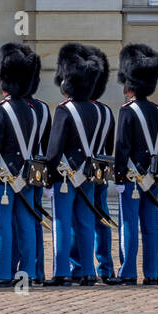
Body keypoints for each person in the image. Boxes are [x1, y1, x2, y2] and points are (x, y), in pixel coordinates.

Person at [0, 42, 41, 286]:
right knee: (26, 226)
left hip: (4, 178)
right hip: (26, 176)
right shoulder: (34, 110)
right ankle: (28, 273)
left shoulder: (0, 110)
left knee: (3, 227)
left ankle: (2, 273)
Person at [44, 43, 104, 286]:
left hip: (65, 177)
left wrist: (48, 177)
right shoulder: (98, 111)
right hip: (88, 175)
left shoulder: (64, 110)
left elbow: (54, 147)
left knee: (62, 223)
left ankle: (62, 271)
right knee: (86, 223)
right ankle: (88, 271)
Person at [115, 44, 158, 286]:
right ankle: (152, 273)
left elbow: (122, 148)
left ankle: (127, 272)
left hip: (132, 178)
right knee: (150, 227)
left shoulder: (127, 111)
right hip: (153, 176)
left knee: (129, 225)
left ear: (130, 84)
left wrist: (118, 177)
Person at [86, 46, 119, 284]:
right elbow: (108, 148)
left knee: (81, 221)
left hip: (79, 173)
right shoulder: (106, 112)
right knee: (101, 219)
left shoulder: (73, 109)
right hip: (100, 170)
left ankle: (80, 267)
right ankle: (106, 267)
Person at [23, 51, 51, 284]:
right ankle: (37, 271)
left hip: (17, 173)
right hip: (38, 170)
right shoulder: (42, 108)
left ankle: (19, 270)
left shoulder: (14, 107)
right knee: (34, 221)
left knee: (16, 224)